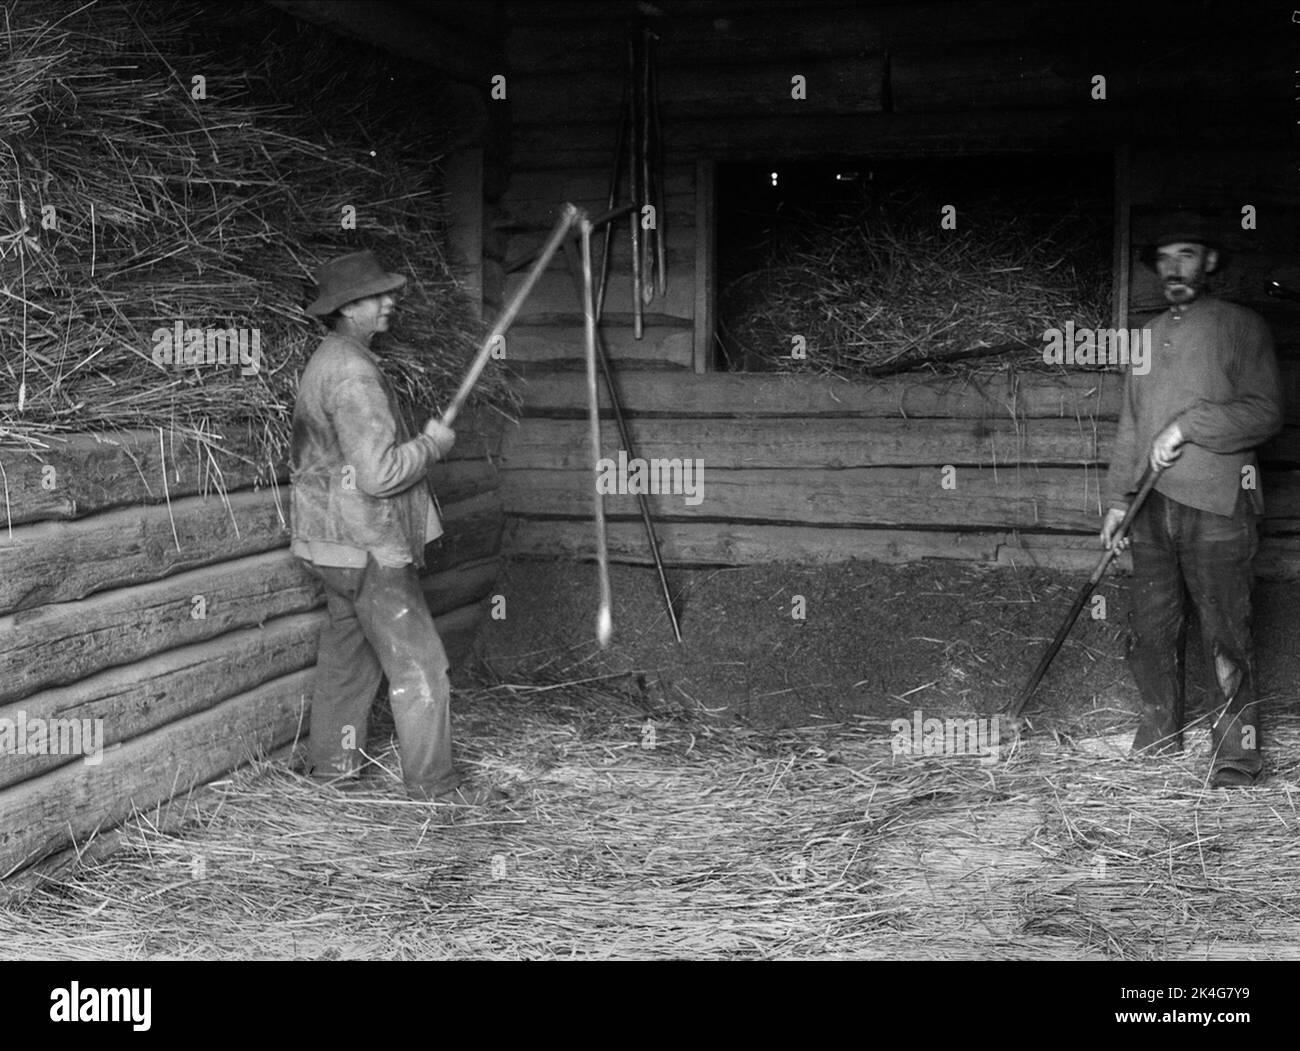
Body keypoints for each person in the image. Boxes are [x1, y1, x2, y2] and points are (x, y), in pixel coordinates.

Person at [290, 249, 501, 805]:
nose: (389, 303)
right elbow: (378, 475)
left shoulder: (328, 359)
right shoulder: (355, 375)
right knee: (421, 664)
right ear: (348, 308)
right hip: (366, 542)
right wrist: (432, 445)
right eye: (377, 296)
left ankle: (332, 771)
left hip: (328, 544)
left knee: (348, 661)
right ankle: (434, 787)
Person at [1101, 212, 1283, 787]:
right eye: (1165, 257)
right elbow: (1132, 425)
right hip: (1151, 508)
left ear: (1207, 263)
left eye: (1187, 254)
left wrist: (1187, 426)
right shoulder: (1147, 338)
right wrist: (1115, 501)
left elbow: (1265, 413)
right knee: (1152, 626)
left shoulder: (1240, 326)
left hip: (1219, 504)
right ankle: (1158, 733)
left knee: (1225, 627)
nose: (1174, 268)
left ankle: (1235, 753)